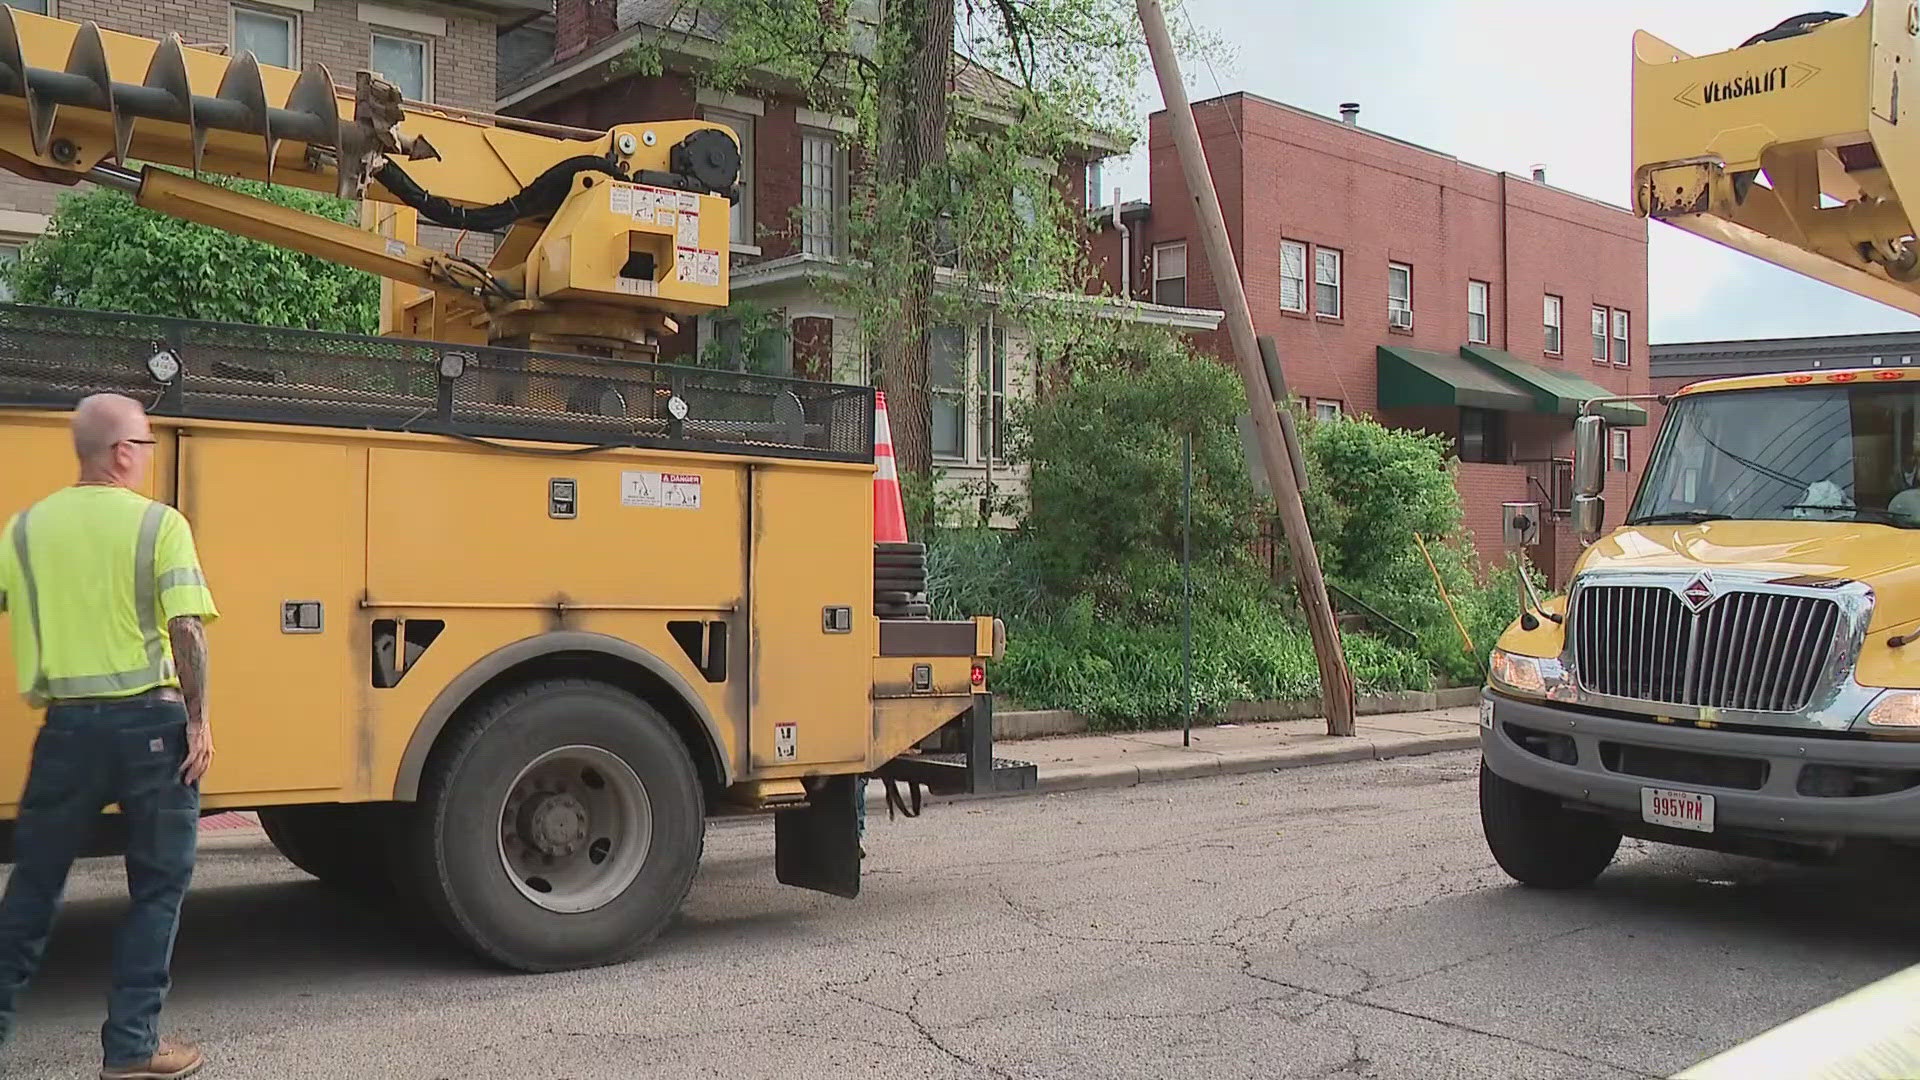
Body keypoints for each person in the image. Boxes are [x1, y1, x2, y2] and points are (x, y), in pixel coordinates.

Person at [0, 394, 218, 1079]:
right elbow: (187, 628)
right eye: (147, 444)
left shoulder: (24, 529)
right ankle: (131, 1047)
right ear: (122, 452)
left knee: (34, 890)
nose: (149, 455)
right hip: (152, 730)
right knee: (156, 887)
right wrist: (199, 717)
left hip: (64, 730)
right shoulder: (160, 524)